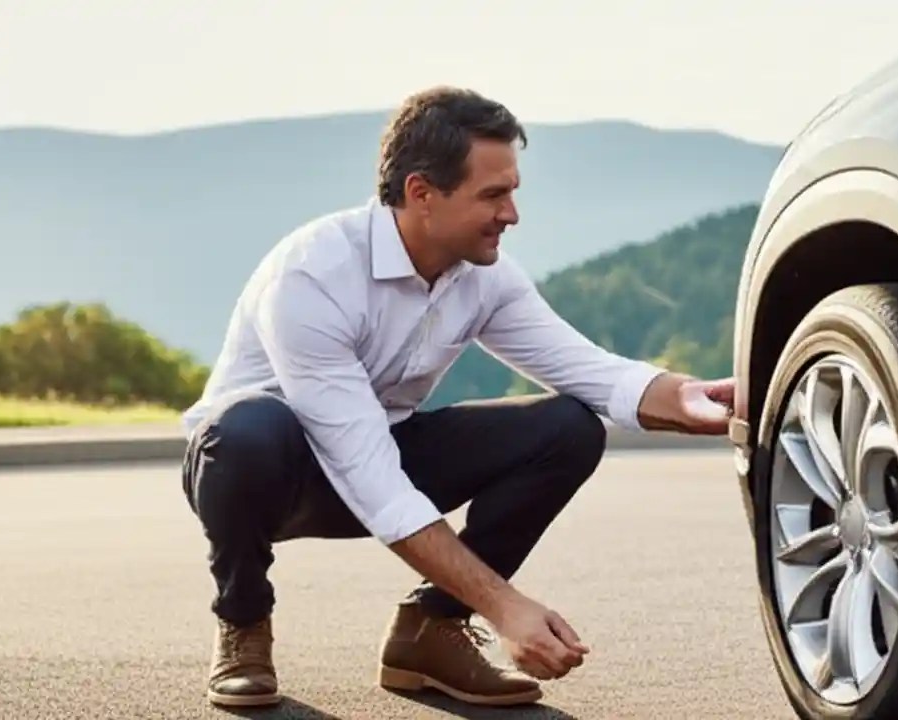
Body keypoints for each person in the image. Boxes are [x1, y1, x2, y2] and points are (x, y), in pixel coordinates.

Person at [179, 85, 736, 709]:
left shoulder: (484, 275)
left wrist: (690, 397)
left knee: (569, 427)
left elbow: (590, 370)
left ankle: (429, 631)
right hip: (272, 474)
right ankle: (243, 623)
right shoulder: (313, 273)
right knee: (248, 431)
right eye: (493, 195)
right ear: (421, 193)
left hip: (380, 449)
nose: (512, 214)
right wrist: (503, 604)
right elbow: (366, 472)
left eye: (513, 191)